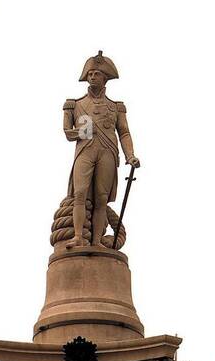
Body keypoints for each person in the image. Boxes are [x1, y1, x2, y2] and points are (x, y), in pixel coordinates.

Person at [63, 51, 140, 250]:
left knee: (101, 197)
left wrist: (130, 155)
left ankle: (96, 241)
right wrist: (81, 132)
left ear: (105, 77)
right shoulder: (75, 105)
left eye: (96, 73)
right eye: (89, 74)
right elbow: (67, 132)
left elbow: (124, 133)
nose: (92, 77)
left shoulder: (116, 107)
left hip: (107, 151)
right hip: (85, 151)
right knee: (80, 193)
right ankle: (79, 236)